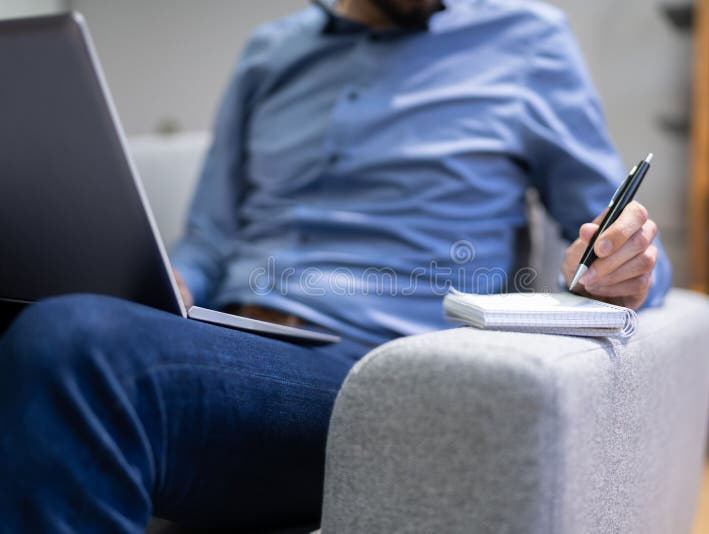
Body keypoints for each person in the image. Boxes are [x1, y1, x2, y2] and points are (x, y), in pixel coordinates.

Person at [0, 0, 671, 531]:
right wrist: (176, 279)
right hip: (223, 337)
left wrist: (622, 265)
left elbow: (619, 245)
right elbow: (208, 235)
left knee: (73, 344)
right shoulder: (269, 52)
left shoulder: (527, 40)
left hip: (374, 373)